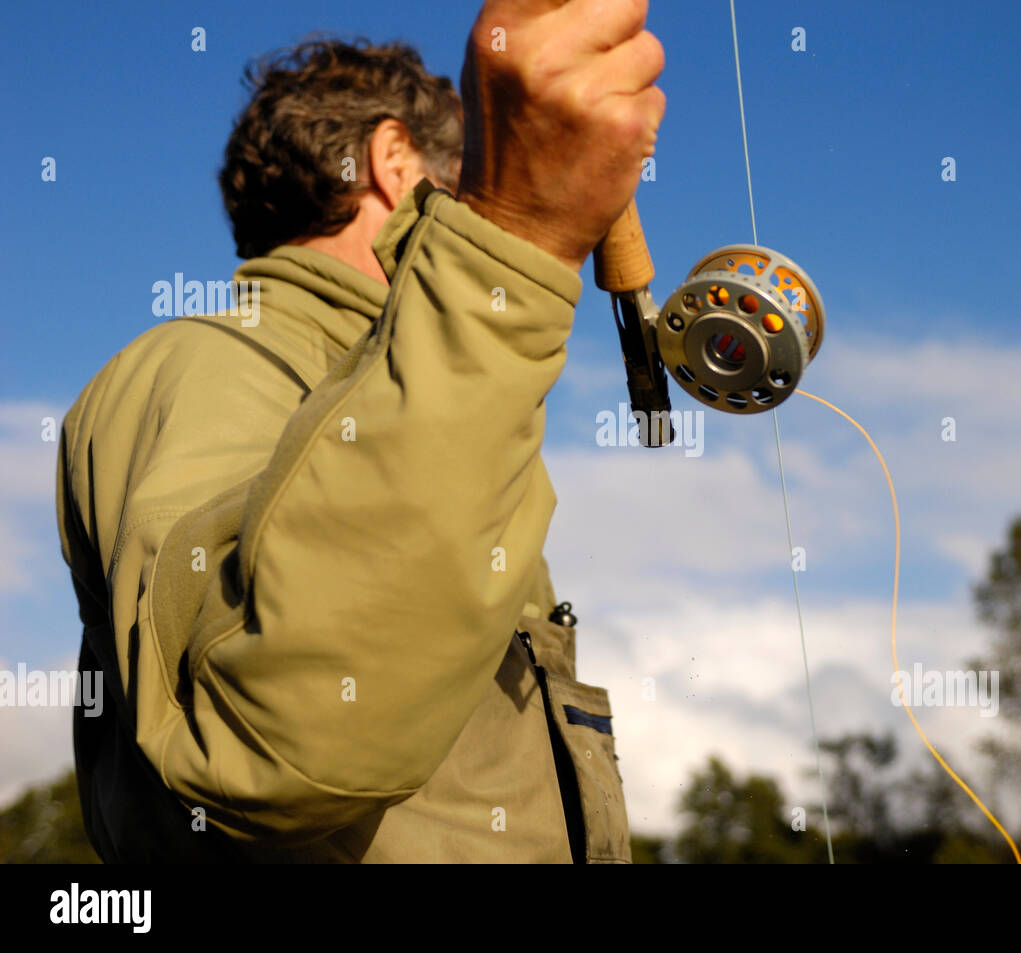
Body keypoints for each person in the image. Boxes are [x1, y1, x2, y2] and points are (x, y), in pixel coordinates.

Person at [54, 0, 666, 863]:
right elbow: (272, 743)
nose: (472, 202)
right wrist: (514, 235)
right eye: (462, 183)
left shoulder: (386, 391)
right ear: (392, 162)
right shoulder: (204, 360)